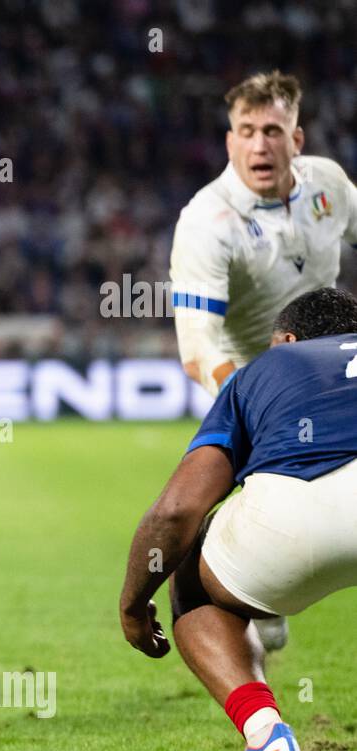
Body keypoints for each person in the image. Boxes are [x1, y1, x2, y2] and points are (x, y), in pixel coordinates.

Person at [119, 287, 357, 751]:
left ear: (288, 339)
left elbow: (176, 513)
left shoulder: (268, 368)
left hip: (298, 519)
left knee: (193, 573)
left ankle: (265, 733)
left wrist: (134, 605)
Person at [168, 70, 357, 651]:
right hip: (259, 385)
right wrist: (250, 403)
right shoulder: (208, 220)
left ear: (296, 139)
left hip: (335, 373)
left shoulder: (329, 186)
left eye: (272, 130)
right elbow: (200, 345)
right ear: (229, 142)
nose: (259, 144)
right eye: (246, 130)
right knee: (202, 547)